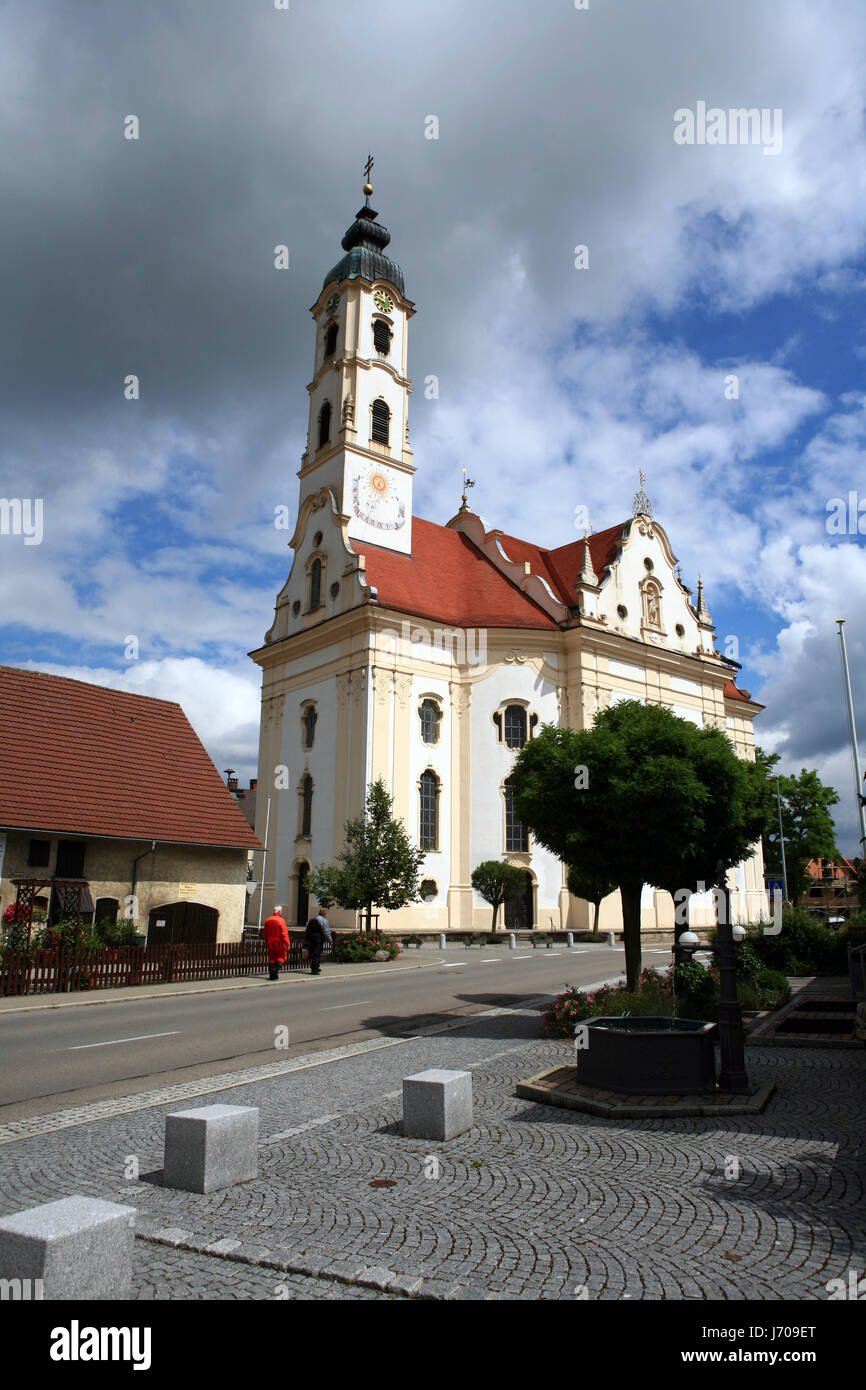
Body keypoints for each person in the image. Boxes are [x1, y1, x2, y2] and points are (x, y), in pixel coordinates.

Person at [263, 904, 289, 982]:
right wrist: (287, 943)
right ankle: (275, 970)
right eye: (281, 911)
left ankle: (272, 975)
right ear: (279, 911)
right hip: (279, 942)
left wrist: (266, 941)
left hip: (270, 942)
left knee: (272, 958)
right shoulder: (281, 920)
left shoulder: (268, 920)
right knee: (281, 957)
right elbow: (284, 934)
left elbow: (265, 933)